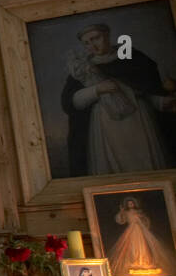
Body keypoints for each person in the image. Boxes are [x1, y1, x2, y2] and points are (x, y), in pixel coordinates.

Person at [60, 23, 176, 176]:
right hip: (106, 124)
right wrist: (97, 90)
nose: (92, 45)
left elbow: (145, 89)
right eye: (86, 43)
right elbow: (71, 103)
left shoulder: (131, 58)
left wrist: (160, 102)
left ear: (107, 35)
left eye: (96, 38)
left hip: (139, 120)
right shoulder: (82, 68)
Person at [108, 196, 176, 276]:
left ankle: (143, 261)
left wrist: (140, 220)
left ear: (134, 204)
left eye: (132, 203)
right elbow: (121, 220)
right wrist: (121, 212)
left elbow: (145, 220)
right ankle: (135, 261)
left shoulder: (139, 212)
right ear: (127, 205)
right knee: (133, 245)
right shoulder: (126, 212)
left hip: (139, 229)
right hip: (131, 230)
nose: (130, 204)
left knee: (142, 245)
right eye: (129, 203)